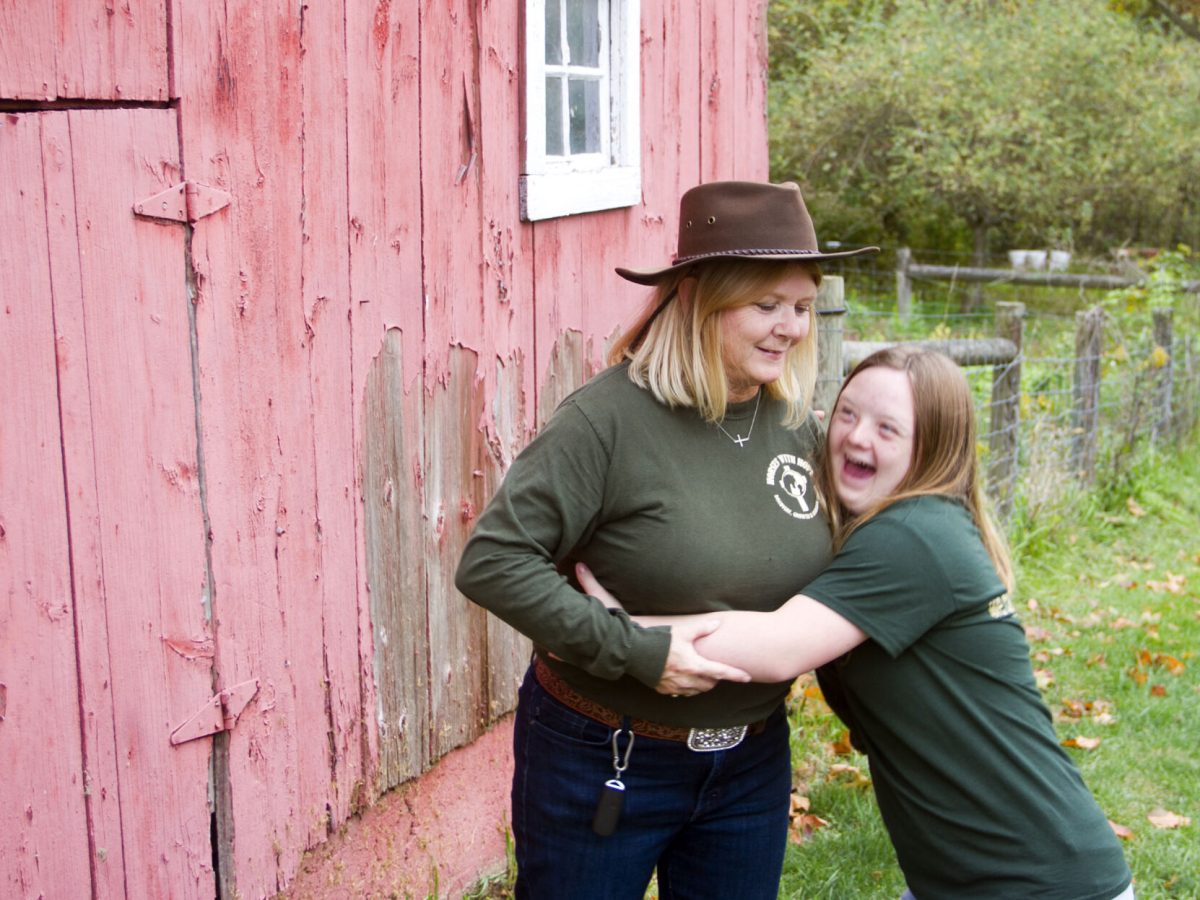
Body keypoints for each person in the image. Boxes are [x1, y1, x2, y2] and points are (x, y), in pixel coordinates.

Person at [578, 346, 1134, 900]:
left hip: (1037, 882)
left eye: (888, 429)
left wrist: (609, 625)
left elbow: (775, 649)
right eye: (848, 413)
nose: (857, 437)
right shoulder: (893, 529)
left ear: (932, 450)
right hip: (974, 879)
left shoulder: (914, 535)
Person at [454, 180, 878, 898]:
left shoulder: (794, 425)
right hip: (605, 756)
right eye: (766, 305)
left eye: (803, 307)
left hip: (750, 764)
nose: (791, 327)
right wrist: (636, 651)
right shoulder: (607, 423)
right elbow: (493, 562)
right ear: (696, 298)